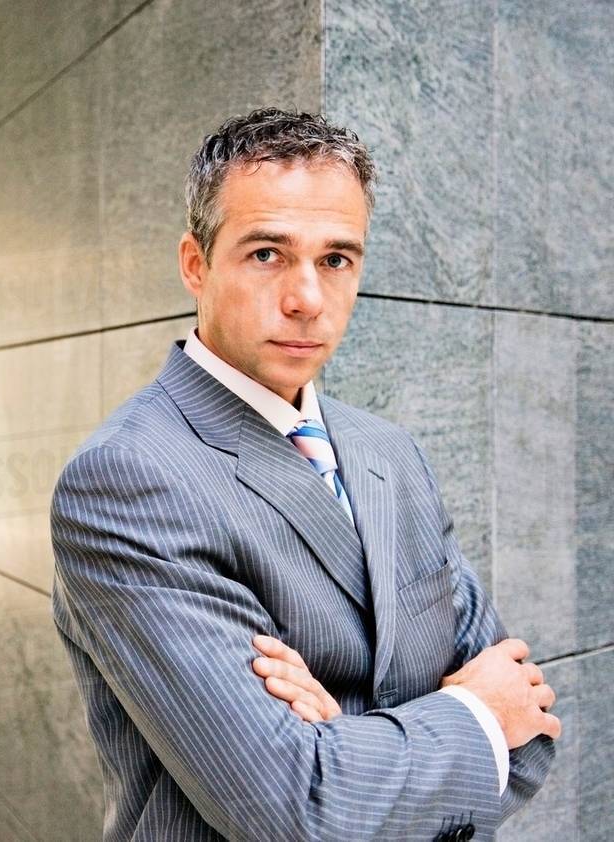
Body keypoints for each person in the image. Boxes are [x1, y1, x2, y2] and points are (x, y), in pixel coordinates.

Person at [49, 108, 559, 841]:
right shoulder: (128, 479)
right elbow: (293, 806)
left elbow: (533, 728)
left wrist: (347, 741)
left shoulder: (390, 454)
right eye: (266, 254)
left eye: (336, 260)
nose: (307, 300)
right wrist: (472, 717)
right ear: (196, 263)